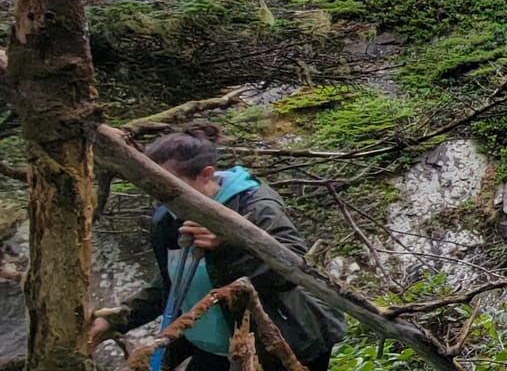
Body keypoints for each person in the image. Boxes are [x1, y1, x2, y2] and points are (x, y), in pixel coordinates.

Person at [89, 125, 348, 370]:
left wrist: (227, 245)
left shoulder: (256, 207)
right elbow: (172, 284)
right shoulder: (167, 216)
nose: (159, 195)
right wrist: (120, 318)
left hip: (283, 344)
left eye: (167, 185)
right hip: (212, 350)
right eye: (151, 186)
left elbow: (292, 272)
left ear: (206, 175)